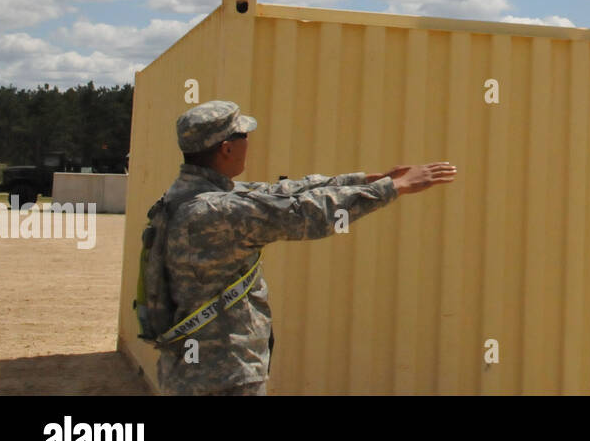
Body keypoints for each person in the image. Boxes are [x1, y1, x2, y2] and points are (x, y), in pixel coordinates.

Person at [154, 100, 457, 396]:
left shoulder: (185, 196)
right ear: (227, 148)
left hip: (189, 369)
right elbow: (303, 212)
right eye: (243, 135)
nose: (249, 142)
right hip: (223, 375)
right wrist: (392, 189)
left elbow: (282, 191)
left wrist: (367, 179)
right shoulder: (219, 210)